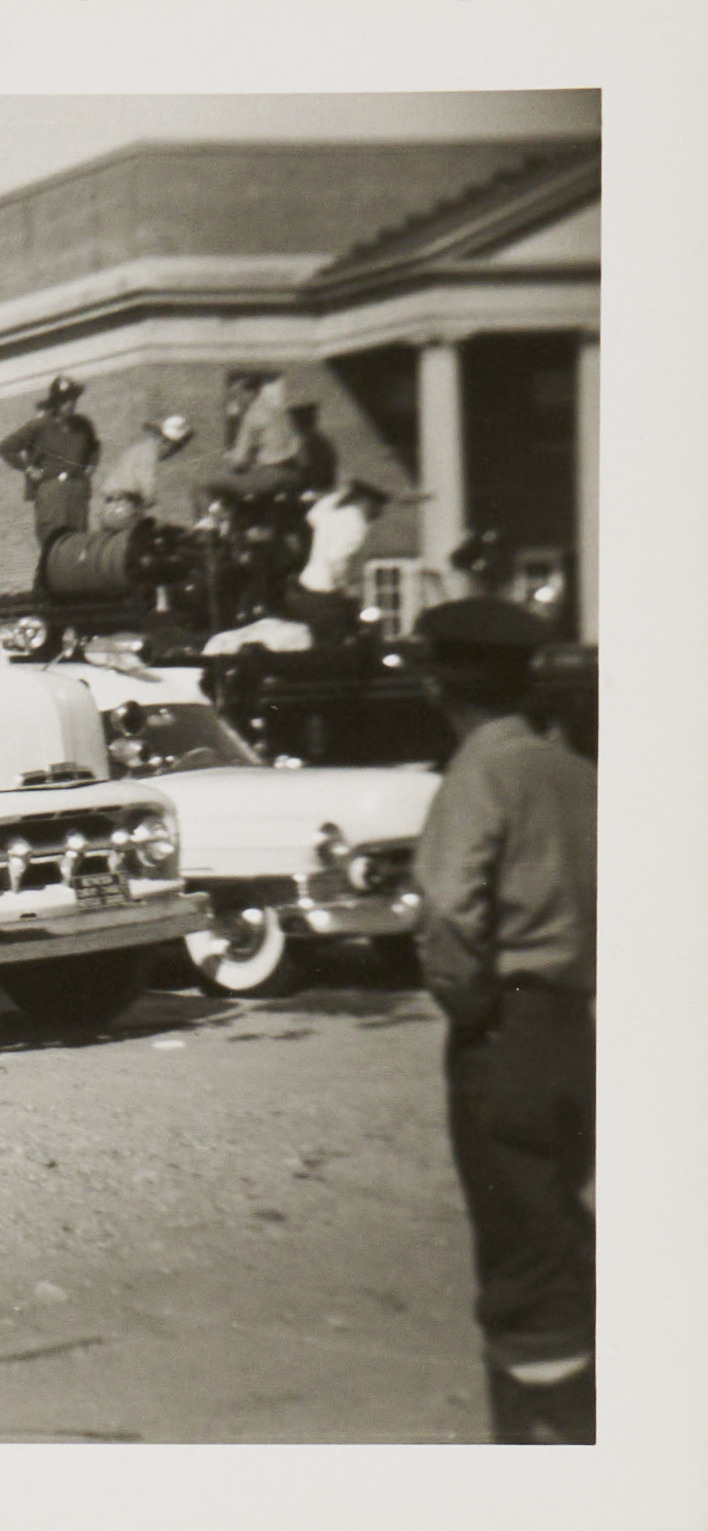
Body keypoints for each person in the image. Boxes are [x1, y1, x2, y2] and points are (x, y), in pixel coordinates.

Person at [412, 596, 596, 1444]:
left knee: (520, 1243)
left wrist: (468, 1001)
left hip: (508, 1029)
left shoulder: (478, 773)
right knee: (561, 1225)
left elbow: (450, 908)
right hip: (576, 1022)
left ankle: (546, 1440)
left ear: (439, 684)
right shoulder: (574, 772)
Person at [0, 375, 100, 550]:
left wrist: (90, 467)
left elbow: (95, 447)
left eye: (73, 398)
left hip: (78, 491)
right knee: (55, 547)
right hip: (52, 491)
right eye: (64, 400)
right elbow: (6, 448)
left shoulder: (83, 425)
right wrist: (28, 469)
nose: (70, 404)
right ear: (55, 403)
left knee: (80, 547)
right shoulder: (39, 426)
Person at [278, 478, 388, 643]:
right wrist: (345, 588)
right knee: (338, 644)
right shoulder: (357, 523)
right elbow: (336, 558)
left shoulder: (332, 514)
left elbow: (312, 516)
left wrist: (340, 494)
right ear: (366, 502)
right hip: (326, 596)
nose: (380, 513)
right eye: (378, 506)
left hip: (305, 588)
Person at [202, 372, 302, 504]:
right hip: (293, 472)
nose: (236, 402)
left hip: (270, 474)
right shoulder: (278, 410)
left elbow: (239, 461)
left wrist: (226, 461)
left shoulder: (251, 416)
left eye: (237, 395)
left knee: (206, 485)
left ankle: (215, 517)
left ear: (250, 393)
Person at [96, 414, 192, 530]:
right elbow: (148, 491)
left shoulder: (140, 449)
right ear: (167, 443)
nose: (172, 454)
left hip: (109, 508)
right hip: (123, 510)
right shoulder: (149, 454)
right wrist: (152, 502)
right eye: (175, 448)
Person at [288, 402, 339, 495]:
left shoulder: (313, 442)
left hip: (318, 489)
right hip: (318, 487)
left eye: (297, 422)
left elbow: (306, 469)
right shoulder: (312, 440)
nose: (294, 425)